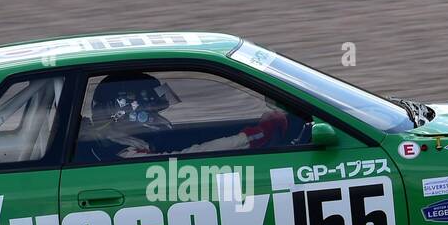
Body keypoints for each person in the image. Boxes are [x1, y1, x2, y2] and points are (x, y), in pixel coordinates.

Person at [80, 72, 292, 162]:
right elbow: (186, 159)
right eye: (152, 112)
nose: (159, 118)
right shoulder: (126, 154)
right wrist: (253, 136)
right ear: (124, 113)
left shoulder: (113, 141)